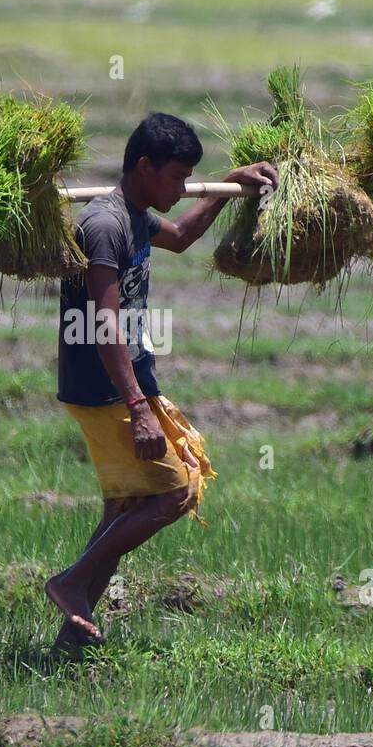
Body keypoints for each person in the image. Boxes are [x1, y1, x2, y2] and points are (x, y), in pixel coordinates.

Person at [45, 111, 278, 652]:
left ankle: (71, 641)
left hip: (124, 384)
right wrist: (138, 405)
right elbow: (104, 324)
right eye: (176, 177)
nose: (182, 187)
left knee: (125, 511)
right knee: (174, 491)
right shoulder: (104, 225)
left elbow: (180, 236)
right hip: (104, 387)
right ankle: (72, 581)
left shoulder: (136, 213)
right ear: (144, 167)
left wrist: (230, 186)